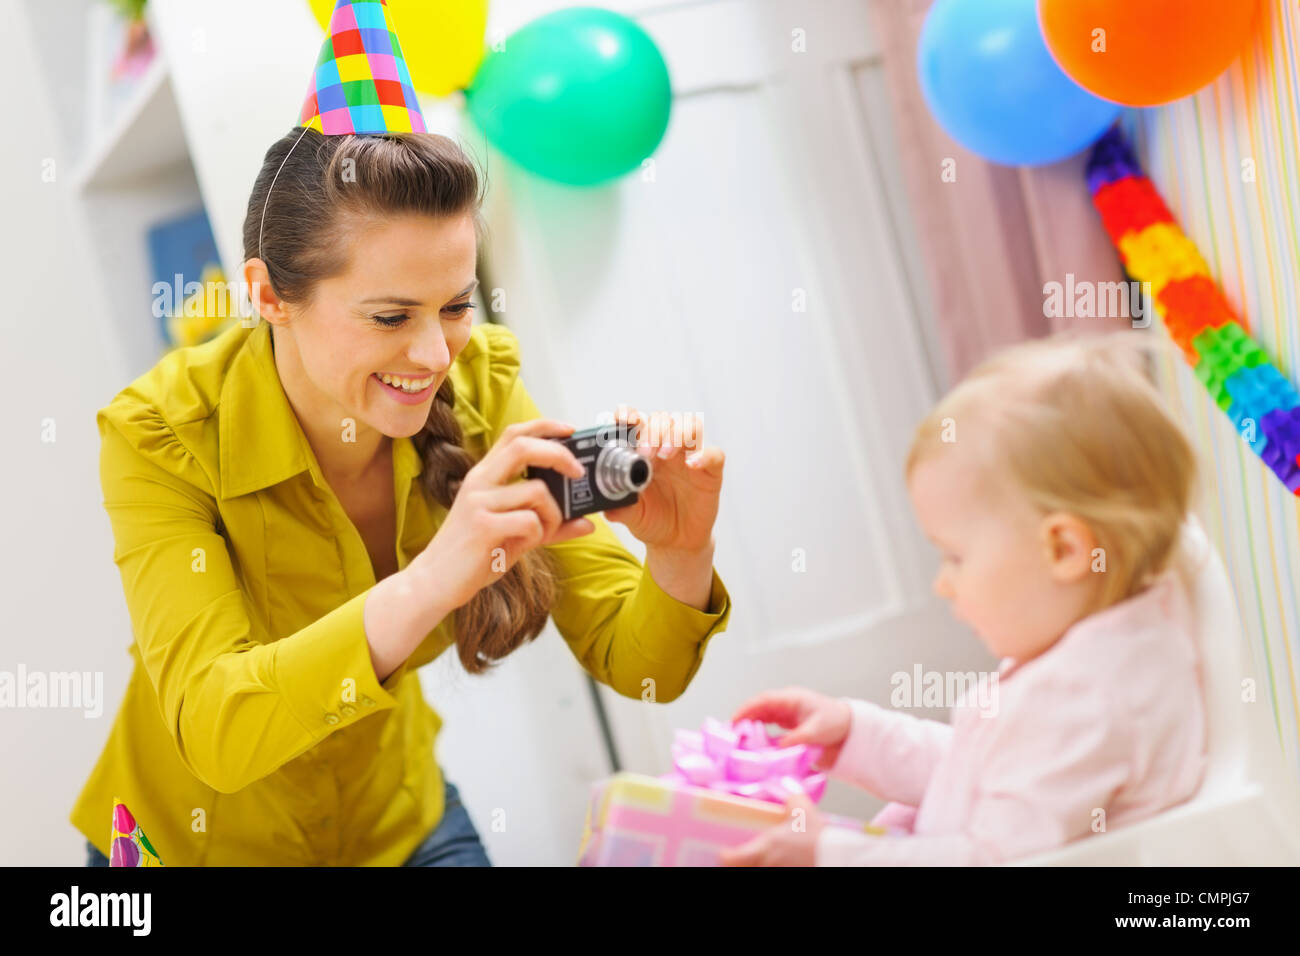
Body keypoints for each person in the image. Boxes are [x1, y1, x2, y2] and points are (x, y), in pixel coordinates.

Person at [70, 123, 732, 866]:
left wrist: (681, 551)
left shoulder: (479, 382)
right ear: (268, 295)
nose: (433, 355)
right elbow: (217, 728)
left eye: (454, 306)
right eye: (390, 316)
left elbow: (640, 666)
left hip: (399, 824)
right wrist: (430, 580)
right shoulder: (163, 432)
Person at [723, 332, 1206, 865]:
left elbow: (987, 859)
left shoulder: (1087, 702)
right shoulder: (1097, 650)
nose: (943, 582)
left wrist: (829, 855)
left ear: (1064, 549)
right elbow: (980, 773)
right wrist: (855, 734)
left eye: (955, 556)